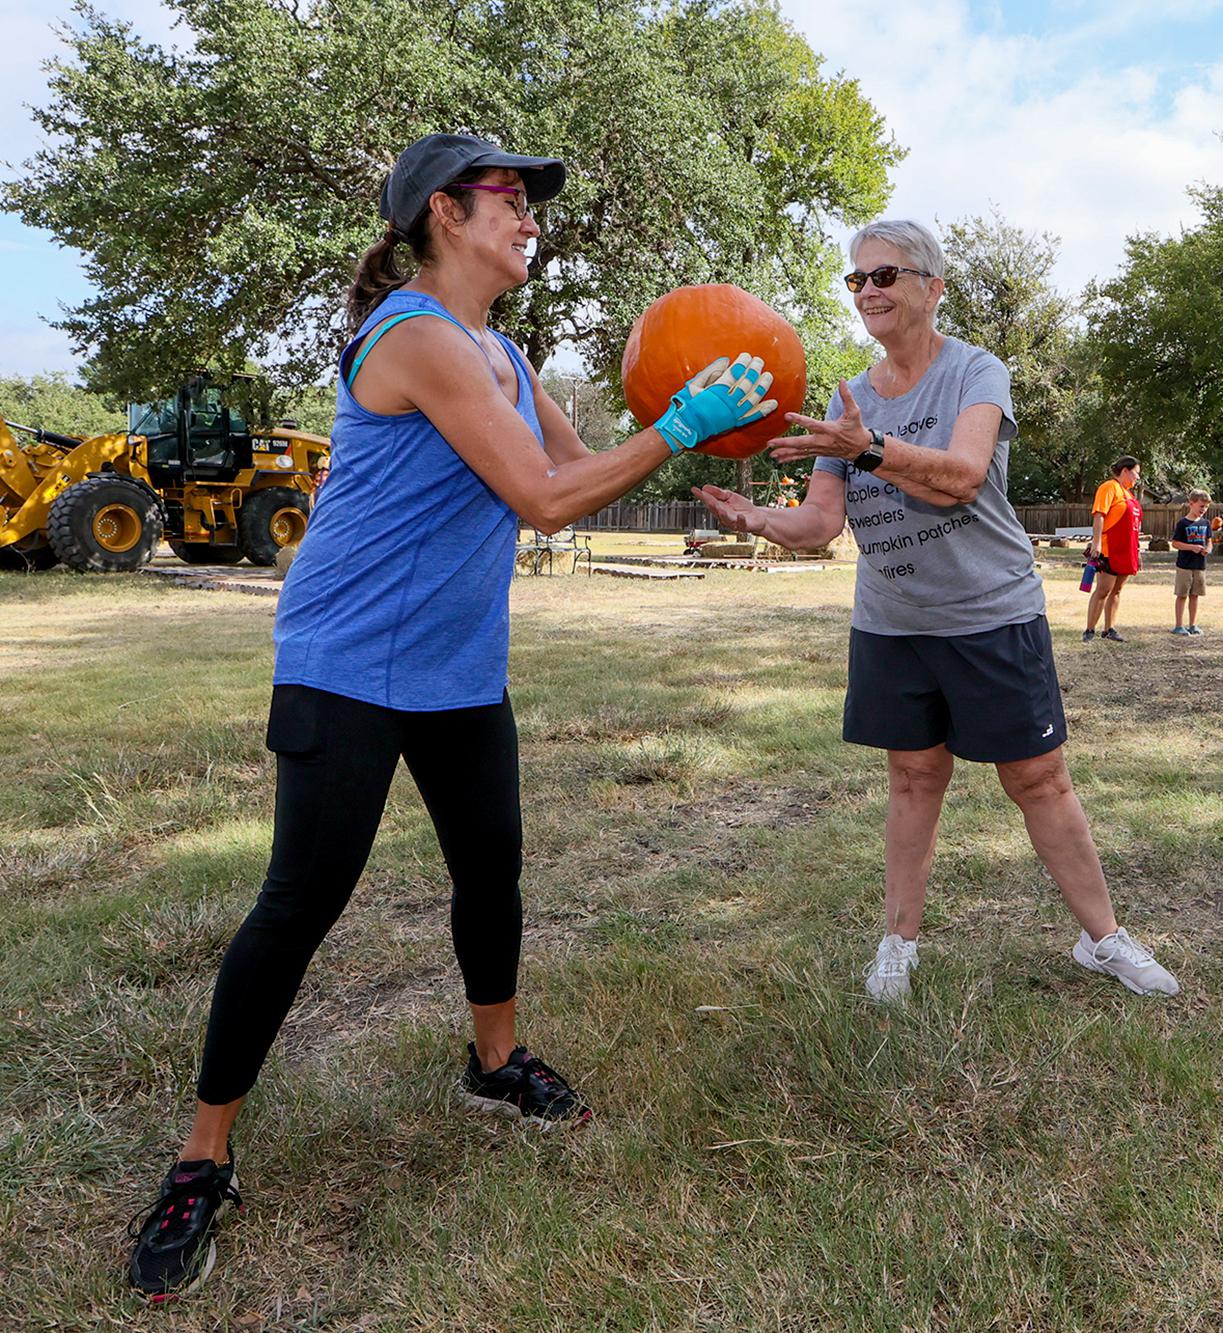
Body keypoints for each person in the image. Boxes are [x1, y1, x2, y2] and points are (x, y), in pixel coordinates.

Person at [125, 133, 777, 1302]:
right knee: (301, 901)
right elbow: (536, 497)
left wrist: (693, 444)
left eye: (530, 202)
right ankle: (200, 1156)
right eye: (507, 200)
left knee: (493, 871)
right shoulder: (418, 338)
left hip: (457, 668)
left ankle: (492, 1061)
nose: (528, 218)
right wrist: (673, 428)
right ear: (443, 212)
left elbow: (579, 492)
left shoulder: (505, 357)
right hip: (345, 665)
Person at [693, 219, 1179, 1006]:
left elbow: (961, 474)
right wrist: (754, 519)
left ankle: (1105, 939)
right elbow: (820, 526)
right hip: (893, 622)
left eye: (885, 275)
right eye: (857, 280)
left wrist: (867, 448)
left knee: (1039, 779)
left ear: (933, 287)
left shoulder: (975, 371)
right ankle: (897, 945)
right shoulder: (846, 399)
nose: (869, 291)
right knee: (914, 777)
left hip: (990, 614)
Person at [1083, 456, 1142, 642]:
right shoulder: (1109, 487)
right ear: (1125, 471)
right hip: (1109, 548)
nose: (1137, 478)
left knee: (1117, 591)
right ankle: (1089, 631)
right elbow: (1099, 515)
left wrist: (1137, 551)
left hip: (1127, 549)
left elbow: (1135, 526)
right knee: (1103, 590)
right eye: (1136, 473)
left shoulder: (1129, 495)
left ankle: (1109, 629)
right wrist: (1097, 542)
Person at [1170, 490, 1214, 635]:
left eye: (1206, 507)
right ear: (1191, 504)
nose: (1203, 510)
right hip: (1184, 565)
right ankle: (1178, 625)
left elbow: (1209, 542)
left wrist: (1207, 549)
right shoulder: (1183, 523)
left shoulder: (1206, 523)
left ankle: (1193, 624)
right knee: (1182, 595)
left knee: (1195, 595)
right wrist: (1192, 548)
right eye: (1201, 506)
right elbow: (1175, 543)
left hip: (1199, 566)